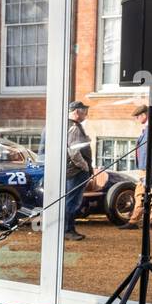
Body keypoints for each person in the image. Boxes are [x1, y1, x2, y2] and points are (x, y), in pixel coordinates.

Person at [122, 102, 152, 230]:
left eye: (137, 117)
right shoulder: (151, 125)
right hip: (148, 165)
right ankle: (151, 220)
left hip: (149, 166)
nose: (136, 119)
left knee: (140, 192)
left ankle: (134, 221)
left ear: (144, 115)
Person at [64, 100, 93, 241]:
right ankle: (67, 230)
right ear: (76, 112)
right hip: (76, 171)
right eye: (83, 111)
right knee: (72, 201)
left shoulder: (69, 125)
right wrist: (85, 166)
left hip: (73, 170)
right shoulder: (74, 127)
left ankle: (69, 229)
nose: (85, 114)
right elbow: (74, 152)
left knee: (71, 200)